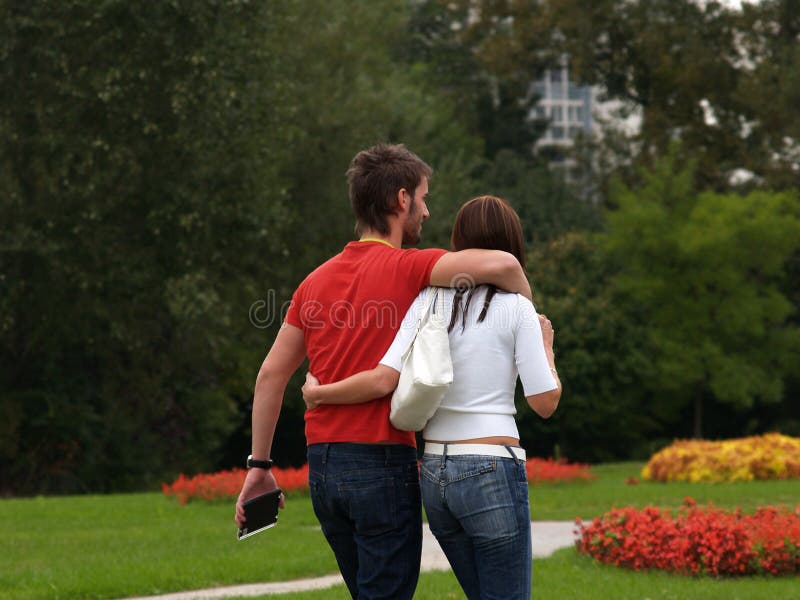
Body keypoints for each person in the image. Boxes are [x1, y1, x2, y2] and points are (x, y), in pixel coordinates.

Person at [234, 144, 533, 600]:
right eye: (423, 198)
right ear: (401, 199)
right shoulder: (411, 267)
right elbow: (505, 264)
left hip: (324, 468)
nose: (427, 212)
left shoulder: (314, 281)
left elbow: (270, 376)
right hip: (380, 463)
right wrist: (528, 318)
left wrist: (259, 465)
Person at [302, 195, 562, 600]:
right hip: (492, 465)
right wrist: (546, 346)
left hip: (436, 474)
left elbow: (383, 379)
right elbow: (545, 403)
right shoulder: (518, 308)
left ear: (459, 242)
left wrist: (319, 393)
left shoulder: (426, 300)